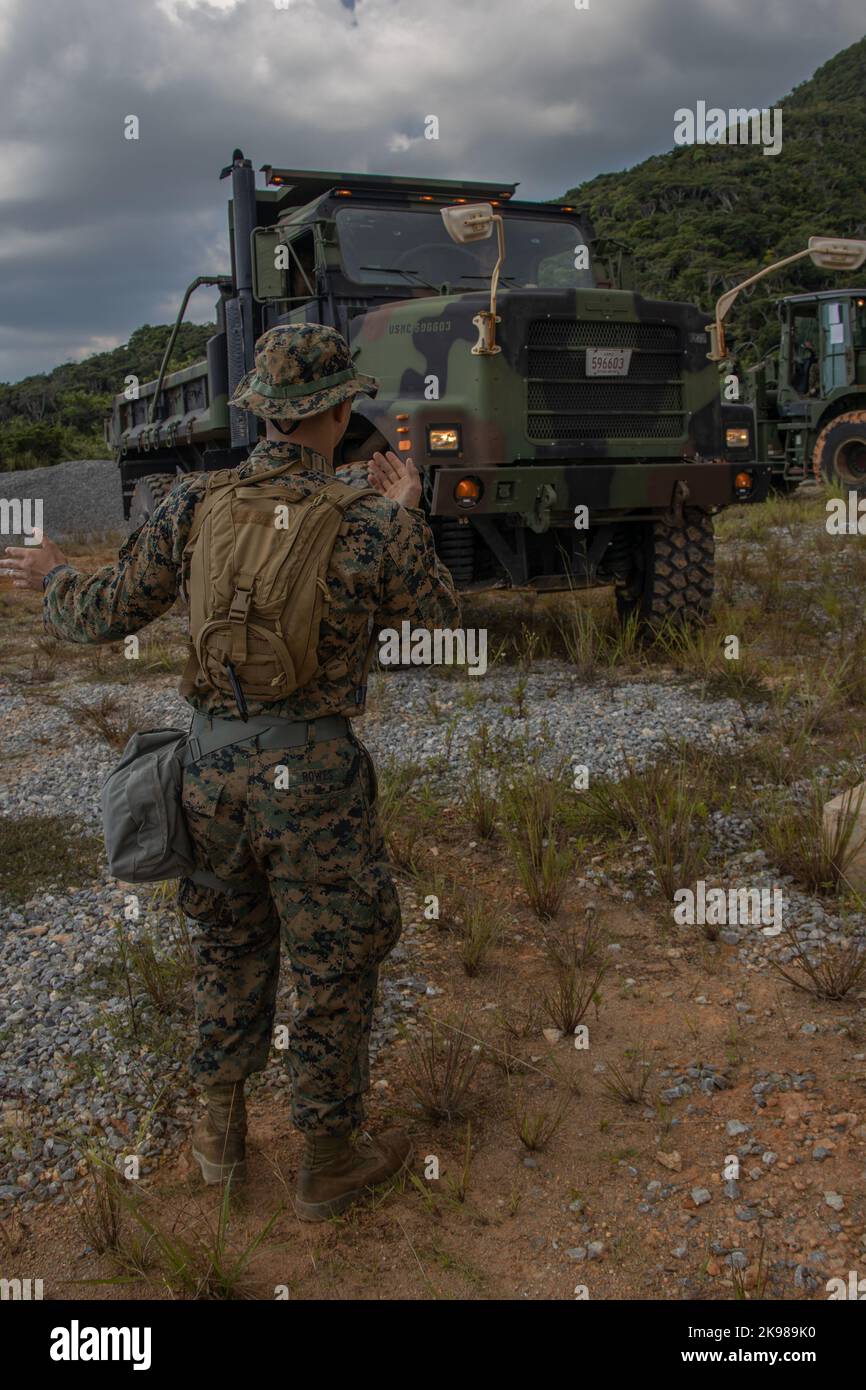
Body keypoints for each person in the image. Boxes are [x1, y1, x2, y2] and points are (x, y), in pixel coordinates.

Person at [2, 323, 461, 1221]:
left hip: (207, 769)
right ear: (340, 410)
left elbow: (102, 613)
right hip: (315, 775)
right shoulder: (370, 523)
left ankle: (219, 1139)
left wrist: (56, 574)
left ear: (258, 410)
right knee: (334, 965)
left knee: (228, 947)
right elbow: (439, 629)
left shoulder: (190, 502)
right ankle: (326, 1160)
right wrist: (409, 513)